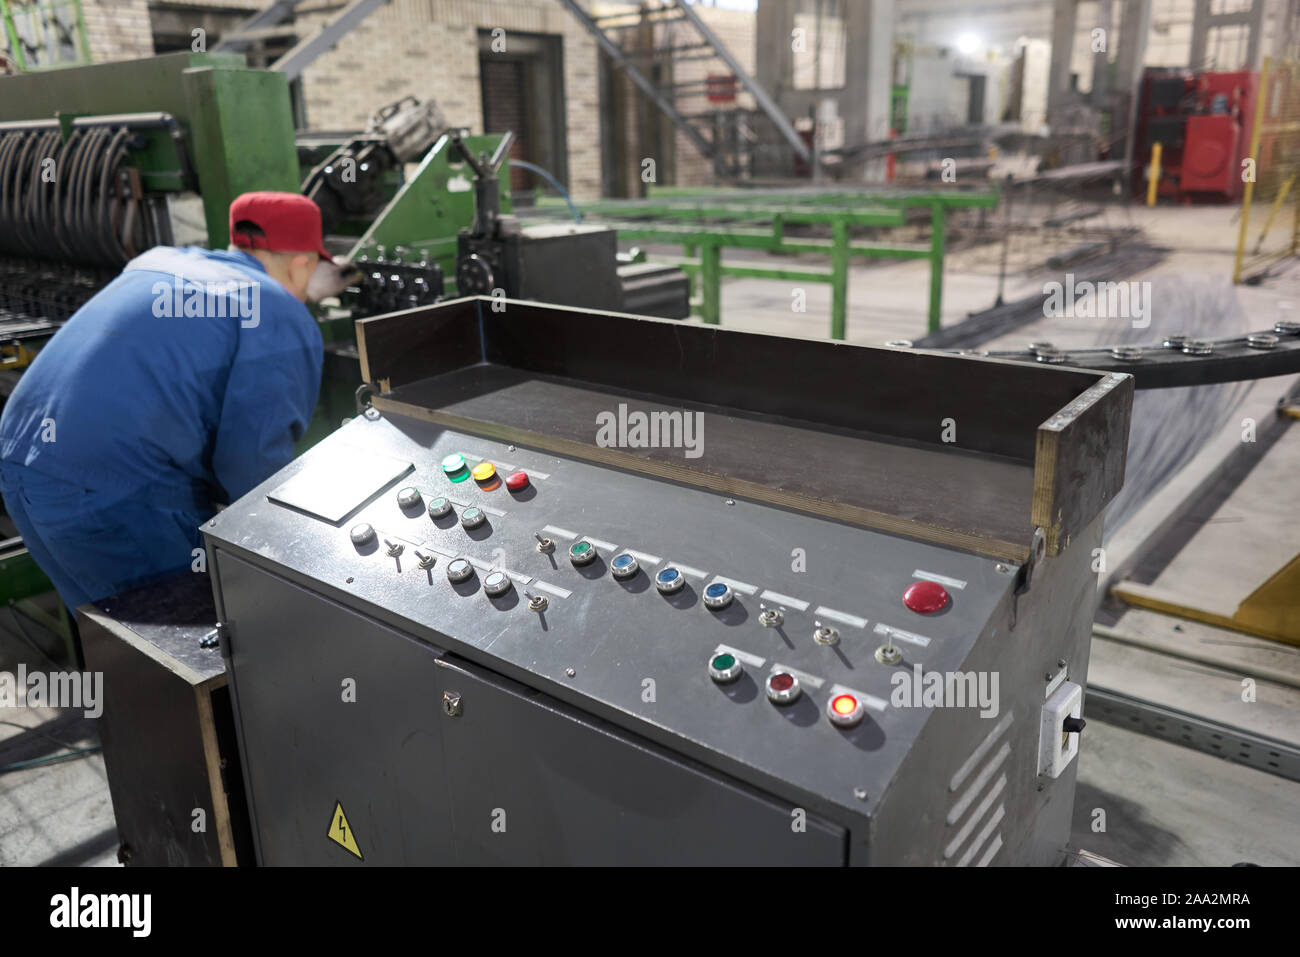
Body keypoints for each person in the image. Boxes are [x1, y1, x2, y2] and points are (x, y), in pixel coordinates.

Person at [0, 191, 347, 612]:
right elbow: (254, 470)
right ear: (303, 263)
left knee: (112, 637)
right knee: (188, 642)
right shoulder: (278, 314)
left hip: (20, 457)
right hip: (109, 489)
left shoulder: (158, 261)